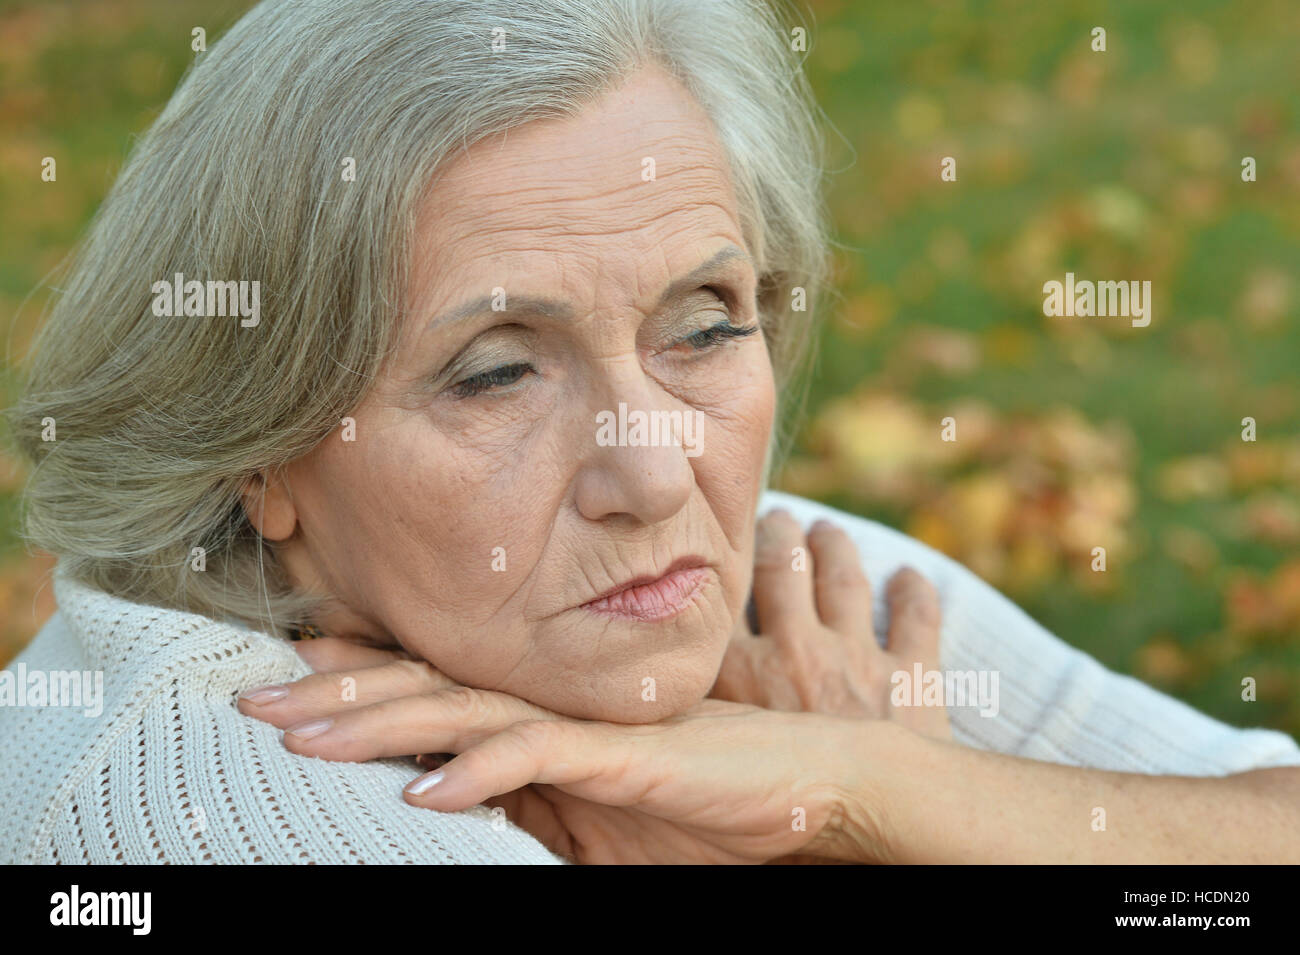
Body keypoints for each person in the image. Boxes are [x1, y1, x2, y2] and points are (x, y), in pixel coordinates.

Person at [3, 0, 1296, 865]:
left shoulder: (752, 590)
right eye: (497, 373)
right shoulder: (216, 790)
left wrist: (872, 782)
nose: (657, 468)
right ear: (261, 453)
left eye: (703, 325)